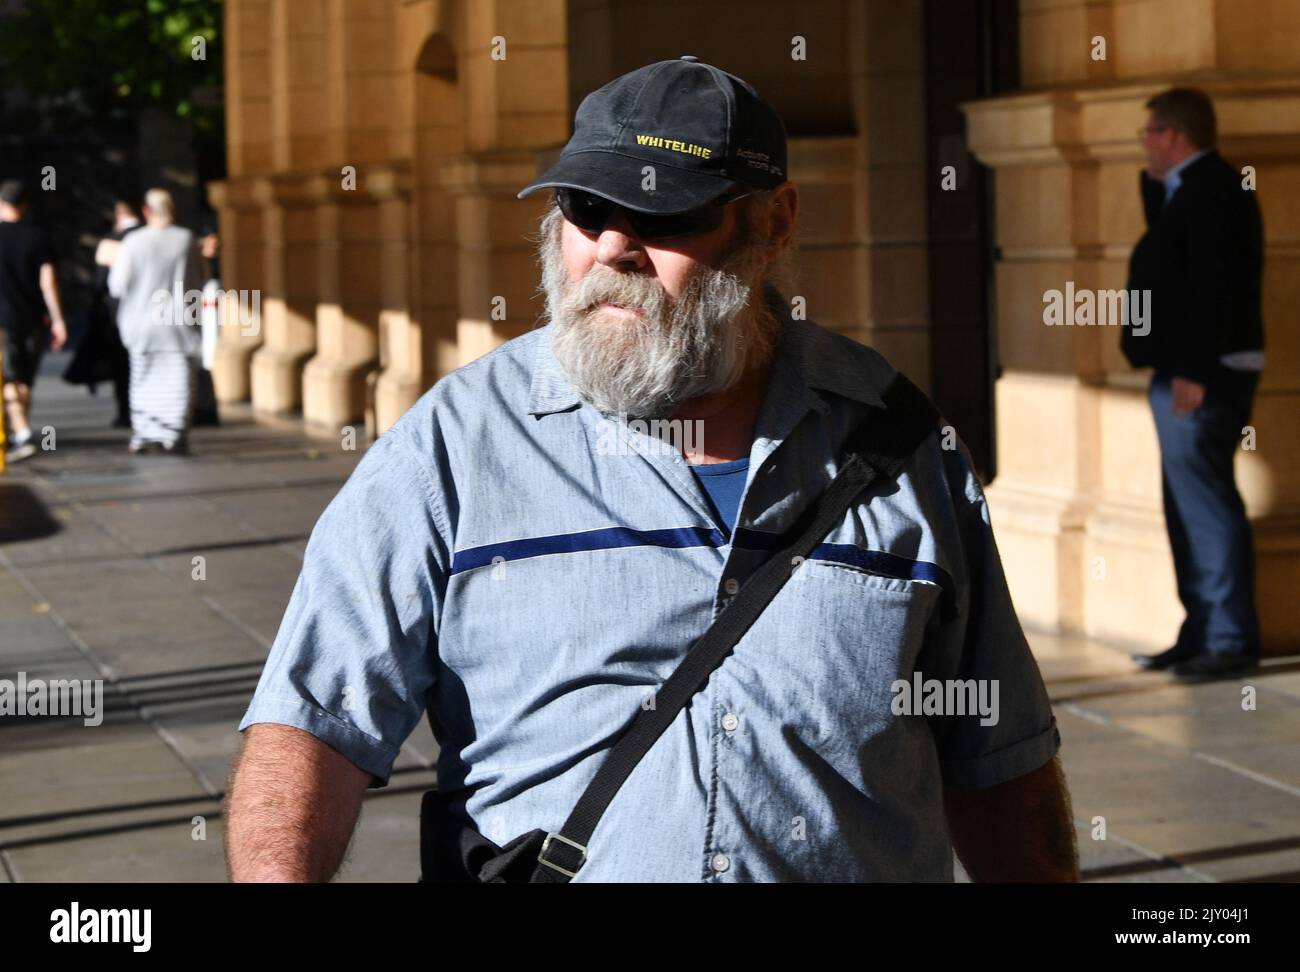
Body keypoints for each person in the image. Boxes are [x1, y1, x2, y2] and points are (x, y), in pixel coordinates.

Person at [227, 57, 1076, 883]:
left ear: (774, 222)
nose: (613, 247)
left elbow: (995, 753)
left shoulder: (898, 440)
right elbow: (312, 728)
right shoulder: (455, 443)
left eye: (665, 215)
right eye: (585, 208)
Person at [1125, 88, 1265, 683]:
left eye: (1149, 133)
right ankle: (1202, 629)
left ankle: (1229, 638)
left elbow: (1212, 288)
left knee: (1206, 505)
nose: (1144, 144)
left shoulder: (1212, 191)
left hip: (1200, 374)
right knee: (1187, 506)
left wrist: (1193, 371)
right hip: (1187, 368)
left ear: (1173, 135)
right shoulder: (1189, 190)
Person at [107, 187, 205, 455]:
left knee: (142, 378)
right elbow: (200, 278)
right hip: (177, 323)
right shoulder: (185, 239)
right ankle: (174, 433)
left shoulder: (133, 241)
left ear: (146, 211)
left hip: (140, 323)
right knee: (178, 379)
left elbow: (117, 285)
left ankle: (144, 433)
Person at [0, 178, 66, 463]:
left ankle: (22, 432)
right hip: (32, 318)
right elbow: (48, 281)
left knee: (9, 374)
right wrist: (58, 319)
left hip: (2, 319)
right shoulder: (37, 235)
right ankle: (20, 432)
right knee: (24, 376)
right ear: (23, 205)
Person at [65, 197, 143, 426]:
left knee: (123, 367)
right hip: (156, 312)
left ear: (119, 213)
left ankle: (127, 413)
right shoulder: (152, 237)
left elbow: (102, 284)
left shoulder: (112, 241)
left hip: (118, 315)